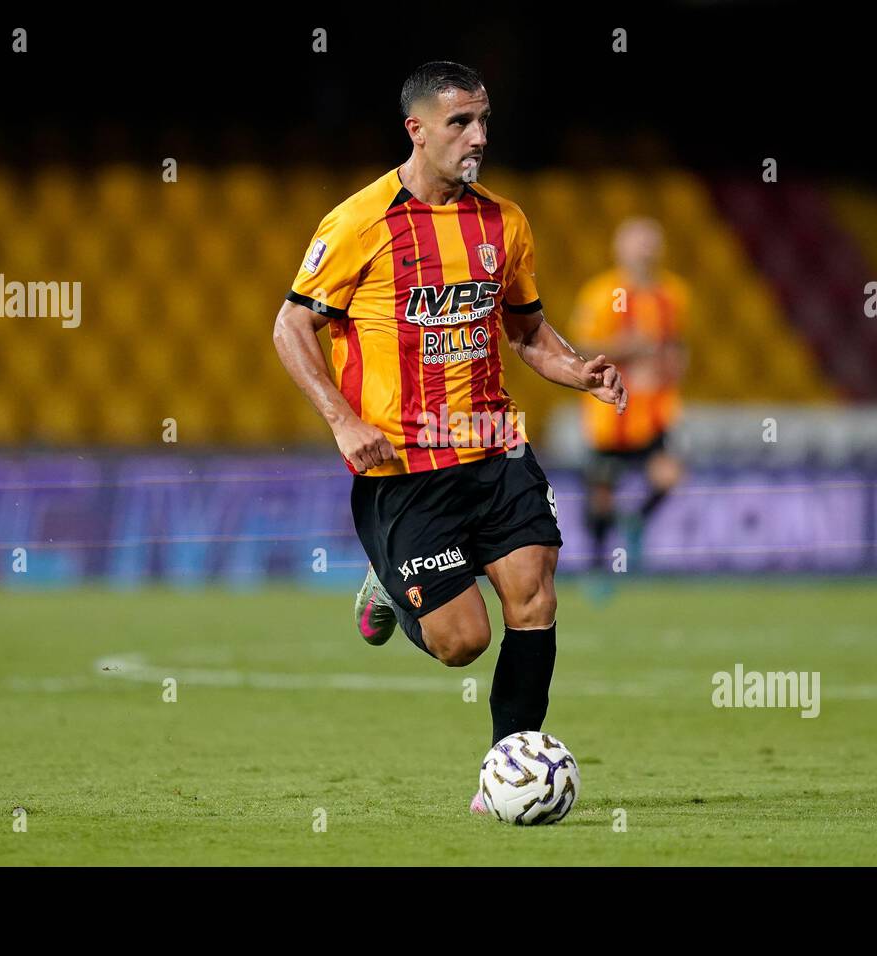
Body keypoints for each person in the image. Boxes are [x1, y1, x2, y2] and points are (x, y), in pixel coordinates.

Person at [272, 61, 627, 814]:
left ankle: (509, 772)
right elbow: (291, 324)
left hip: (496, 449)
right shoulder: (358, 221)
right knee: (461, 641)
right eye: (461, 122)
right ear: (418, 129)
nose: (479, 136)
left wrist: (581, 371)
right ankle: (392, 590)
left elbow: (527, 331)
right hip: (404, 467)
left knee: (533, 598)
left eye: (485, 120)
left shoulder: (505, 222)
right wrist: (343, 418)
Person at [571, 218, 687, 577]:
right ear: (620, 249)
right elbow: (581, 347)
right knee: (601, 495)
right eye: (639, 244)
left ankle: (635, 522)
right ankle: (596, 567)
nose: (646, 251)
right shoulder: (601, 293)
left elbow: (677, 345)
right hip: (609, 414)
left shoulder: (675, 294)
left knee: (669, 477)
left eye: (651, 243)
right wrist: (628, 348)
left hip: (653, 413)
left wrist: (674, 363)